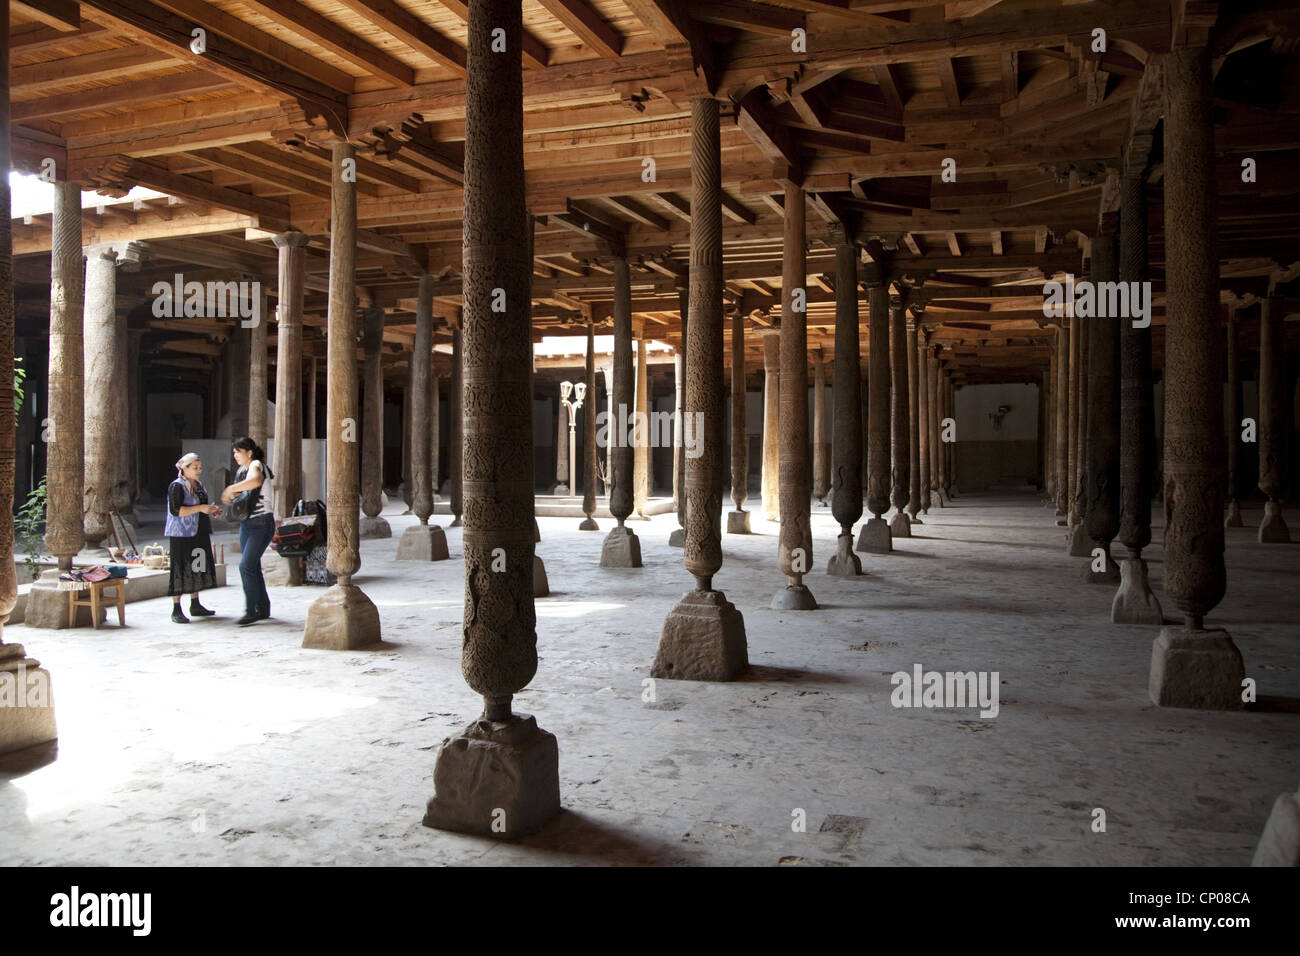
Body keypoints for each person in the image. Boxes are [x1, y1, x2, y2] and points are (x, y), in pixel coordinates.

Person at [222, 437, 277, 627]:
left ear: (249, 452)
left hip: (261, 523)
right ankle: (262, 607)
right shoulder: (241, 471)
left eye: (238, 452)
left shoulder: (255, 465)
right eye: (234, 452)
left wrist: (231, 488)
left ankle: (251, 611)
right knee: (252, 566)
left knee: (245, 566)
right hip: (247, 523)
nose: (235, 456)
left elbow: (255, 481)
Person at [165, 452, 221, 623]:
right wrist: (200, 508)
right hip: (181, 534)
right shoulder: (176, 486)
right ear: (185, 468)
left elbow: (201, 506)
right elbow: (176, 510)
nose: (198, 471)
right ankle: (176, 608)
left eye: (200, 467)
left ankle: (195, 604)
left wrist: (211, 510)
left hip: (199, 531)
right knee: (180, 567)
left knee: (197, 565)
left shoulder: (199, 485)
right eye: (195, 467)